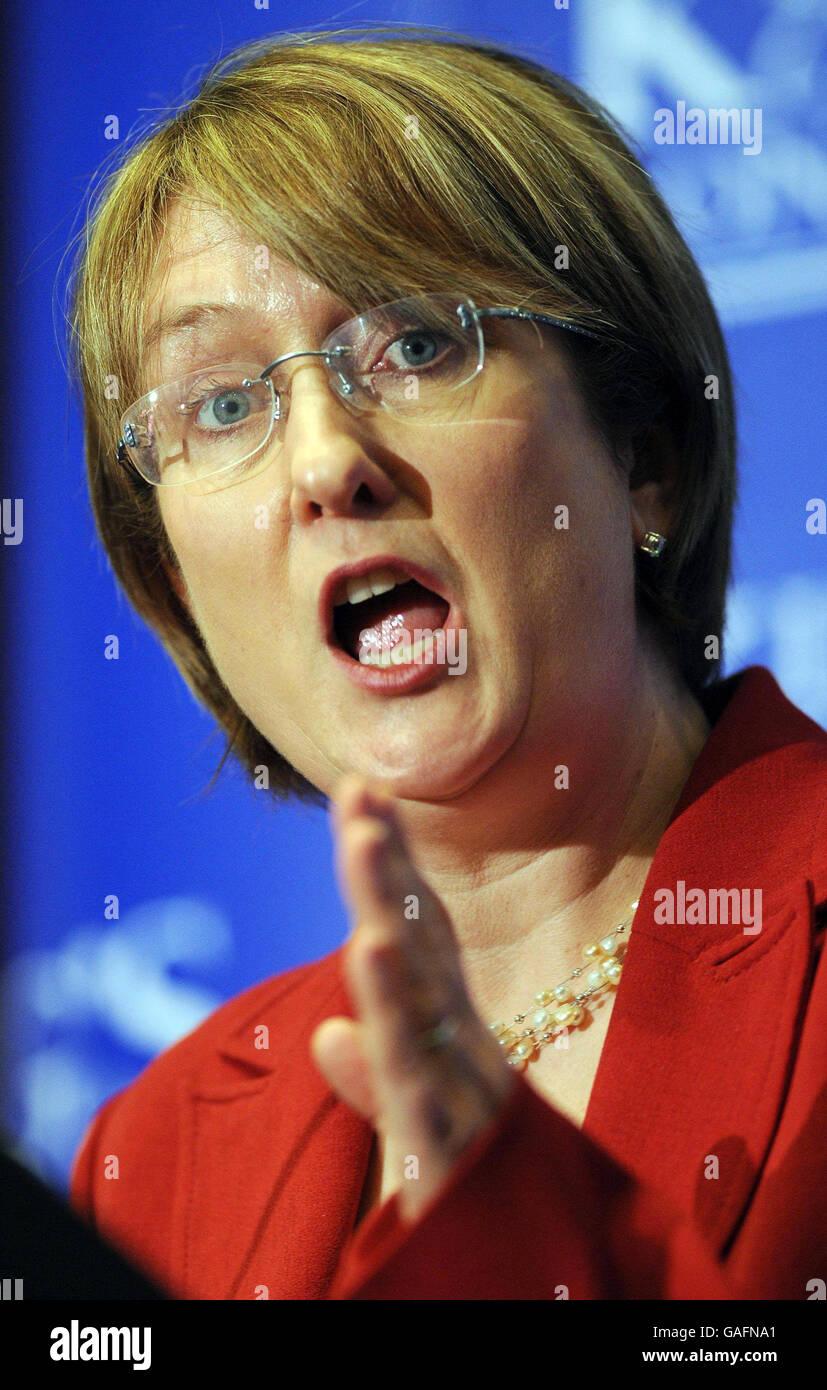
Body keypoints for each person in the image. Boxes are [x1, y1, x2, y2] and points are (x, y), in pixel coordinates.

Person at [65, 26, 826, 1300]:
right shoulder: (156, 1149)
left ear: (641, 458)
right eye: (223, 404)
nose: (323, 464)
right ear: (179, 586)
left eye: (414, 345)